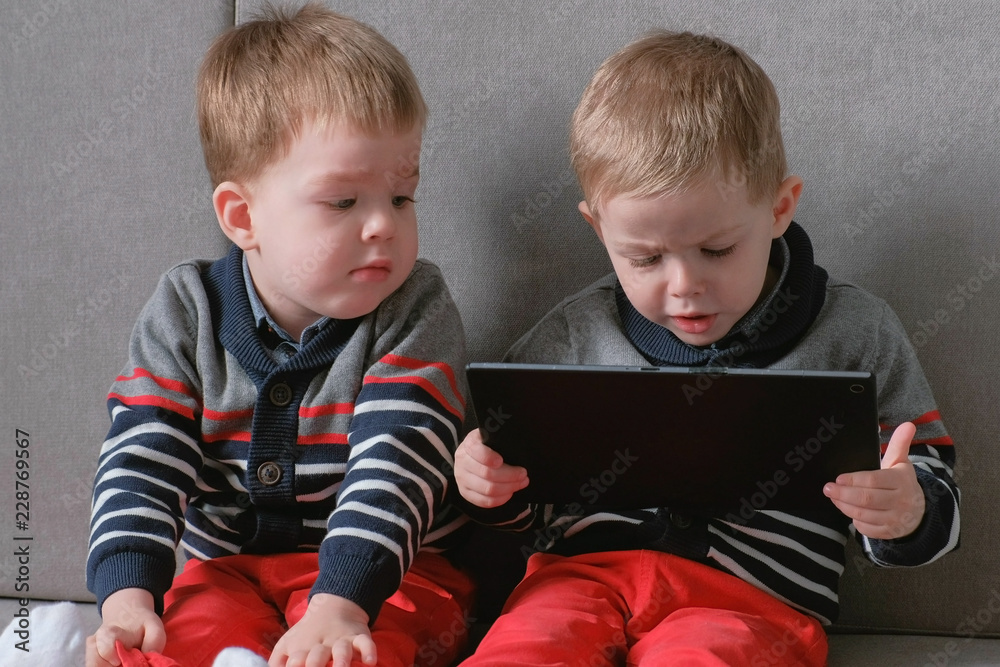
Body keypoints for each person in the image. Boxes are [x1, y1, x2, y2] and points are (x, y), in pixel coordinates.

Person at [455, 30, 959, 666]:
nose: (685, 288)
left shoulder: (854, 330)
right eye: (644, 259)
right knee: (524, 652)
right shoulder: (571, 335)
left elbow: (931, 471)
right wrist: (487, 486)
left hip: (749, 604)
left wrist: (908, 507)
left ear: (779, 208)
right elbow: (519, 496)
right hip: (577, 582)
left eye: (717, 251)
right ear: (598, 229)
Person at [85, 5, 474, 667]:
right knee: (172, 641)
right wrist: (128, 594)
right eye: (345, 202)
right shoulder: (185, 309)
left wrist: (339, 604)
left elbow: (398, 461)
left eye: (402, 197)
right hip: (227, 570)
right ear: (243, 216)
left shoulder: (413, 305)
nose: (383, 224)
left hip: (392, 573)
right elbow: (142, 459)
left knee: (369, 648)